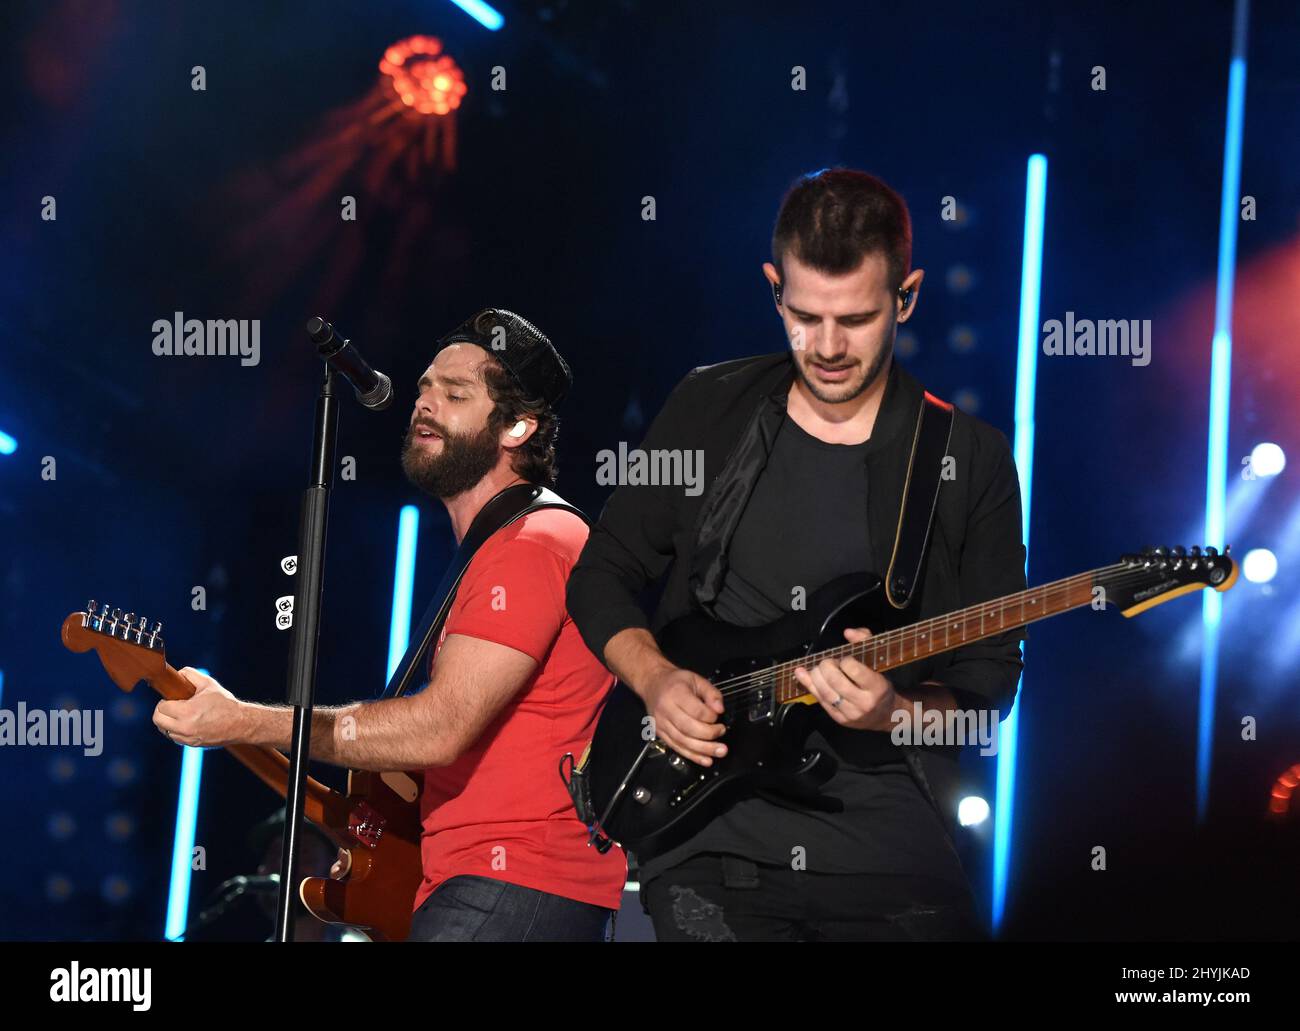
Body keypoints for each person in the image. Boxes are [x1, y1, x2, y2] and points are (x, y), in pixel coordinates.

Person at [566, 169, 1027, 942]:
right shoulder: (708, 406)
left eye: (856, 319)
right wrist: (654, 677)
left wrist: (897, 714)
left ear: (907, 297)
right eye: (805, 316)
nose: (828, 348)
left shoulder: (968, 458)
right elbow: (602, 572)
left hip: (893, 855)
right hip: (712, 842)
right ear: (773, 288)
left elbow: (987, 699)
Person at [154, 309, 626, 941]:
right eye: (425, 388)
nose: (425, 405)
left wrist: (247, 720)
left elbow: (440, 729)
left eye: (456, 395)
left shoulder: (535, 541)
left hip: (516, 884)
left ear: (517, 427)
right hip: (478, 882)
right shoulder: (497, 546)